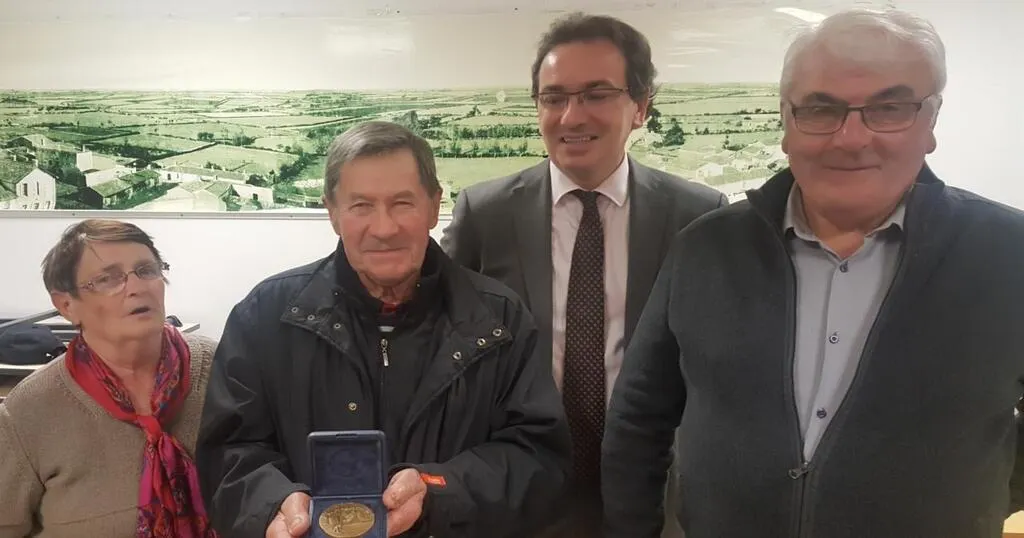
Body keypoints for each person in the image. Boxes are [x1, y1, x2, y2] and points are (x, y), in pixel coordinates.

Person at [602, 7, 1024, 538]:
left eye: (889, 107)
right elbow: (639, 417)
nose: (851, 138)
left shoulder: (1009, 255)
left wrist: (970, 501)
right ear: (786, 121)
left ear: (931, 120)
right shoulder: (705, 249)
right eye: (821, 110)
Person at [195, 121, 571, 538]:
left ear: (433, 207)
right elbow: (228, 456)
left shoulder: (500, 320)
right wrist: (272, 505)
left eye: (402, 203)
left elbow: (538, 460)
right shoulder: (264, 316)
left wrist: (435, 493)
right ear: (333, 214)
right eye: (361, 205)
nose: (385, 227)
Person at [440, 11, 727, 537]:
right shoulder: (485, 214)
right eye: (554, 97)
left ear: (640, 107)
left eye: (597, 94)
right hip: (518, 487)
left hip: (650, 490)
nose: (572, 116)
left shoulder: (697, 215)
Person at [0, 219, 218, 537]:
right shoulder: (28, 411)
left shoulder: (222, 368)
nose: (136, 287)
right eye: (108, 279)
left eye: (146, 270)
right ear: (66, 305)